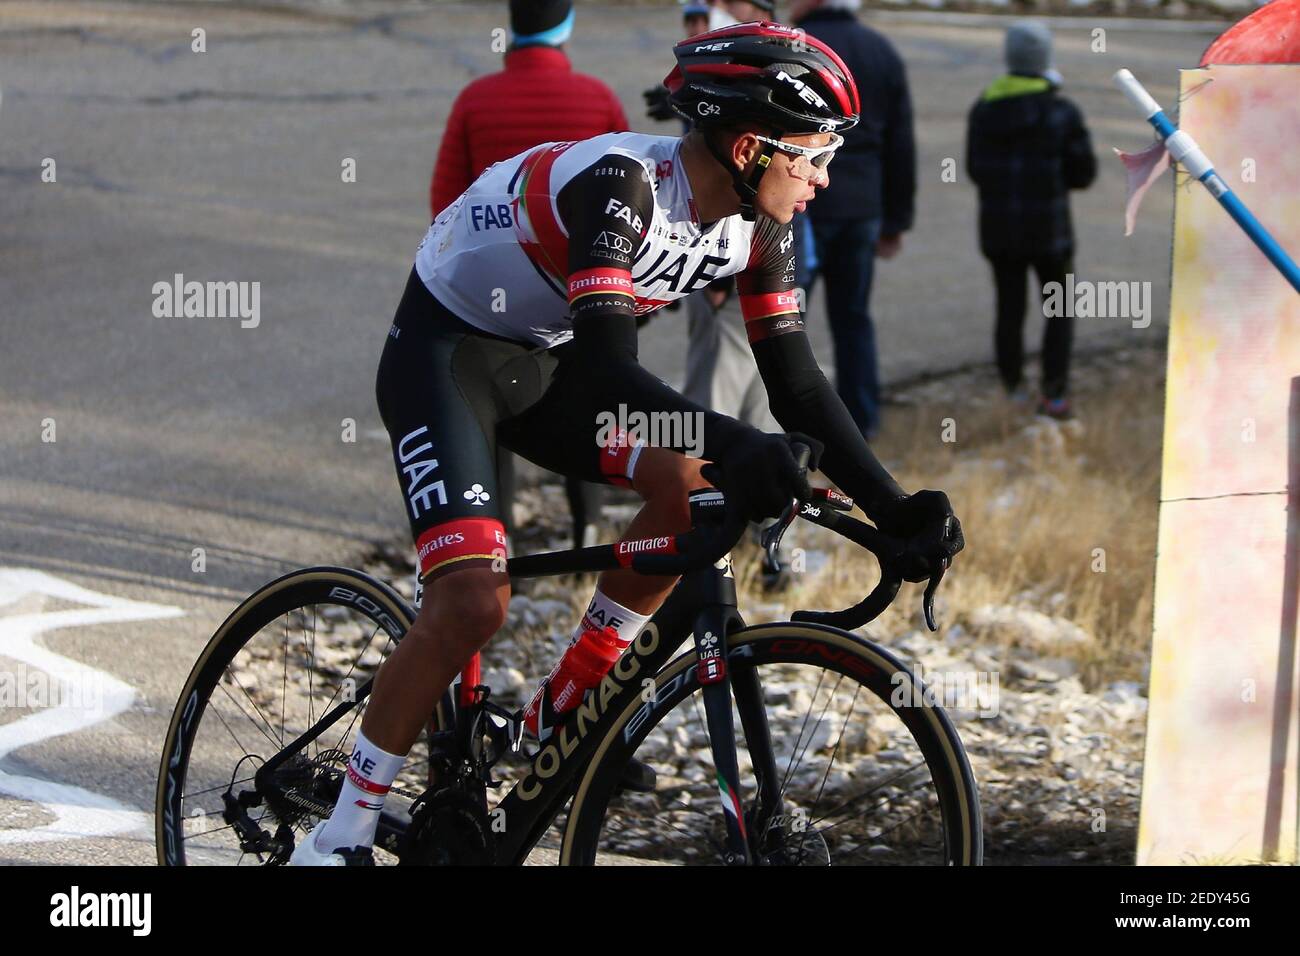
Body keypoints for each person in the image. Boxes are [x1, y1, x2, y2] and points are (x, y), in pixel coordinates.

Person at [294, 22, 963, 865]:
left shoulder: (764, 224)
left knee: (692, 491)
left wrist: (894, 507)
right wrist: (741, 440)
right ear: (753, 148)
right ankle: (341, 832)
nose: (826, 177)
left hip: (550, 364)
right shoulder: (624, 187)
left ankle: (548, 722)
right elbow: (613, 369)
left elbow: (795, 382)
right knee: (473, 602)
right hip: (450, 352)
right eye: (814, 154)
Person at [428, 0, 629, 545]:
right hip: (579, 291)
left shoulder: (476, 99)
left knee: (490, 410)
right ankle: (588, 530)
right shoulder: (596, 97)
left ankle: (501, 540)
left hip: (491, 296)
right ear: (565, 29)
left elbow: (445, 206)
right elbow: (633, 204)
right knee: (586, 403)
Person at [789, 0, 915, 441]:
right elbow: (901, 144)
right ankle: (861, 423)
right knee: (853, 317)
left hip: (801, 201)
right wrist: (896, 220)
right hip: (862, 206)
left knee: (784, 320)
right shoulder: (881, 50)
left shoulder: (797, 48)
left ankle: (795, 427)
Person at [965, 20, 1096, 419]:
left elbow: (973, 170)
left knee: (1010, 309)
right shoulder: (1062, 112)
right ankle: (1054, 393)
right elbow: (1083, 174)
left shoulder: (984, 109)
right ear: (1045, 59)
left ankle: (1014, 388)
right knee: (1058, 310)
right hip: (1050, 233)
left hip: (1000, 233)